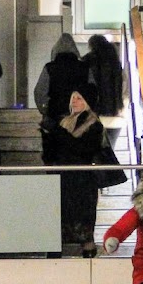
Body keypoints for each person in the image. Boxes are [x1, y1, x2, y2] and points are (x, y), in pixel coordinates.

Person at [42, 84, 106, 257]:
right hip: (62, 179)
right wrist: (47, 137)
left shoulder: (94, 125)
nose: (75, 101)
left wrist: (56, 131)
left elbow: (82, 149)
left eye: (79, 98)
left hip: (82, 183)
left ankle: (88, 261)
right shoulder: (65, 122)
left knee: (84, 227)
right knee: (58, 225)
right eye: (73, 98)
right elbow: (52, 152)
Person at [34, 33, 86, 122]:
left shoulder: (49, 68)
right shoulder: (84, 68)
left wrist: (45, 110)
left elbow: (39, 92)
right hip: (78, 116)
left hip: (55, 115)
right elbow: (93, 91)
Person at [83, 34, 125, 116]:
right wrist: (119, 102)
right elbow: (118, 83)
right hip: (111, 102)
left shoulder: (88, 59)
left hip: (94, 101)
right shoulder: (113, 59)